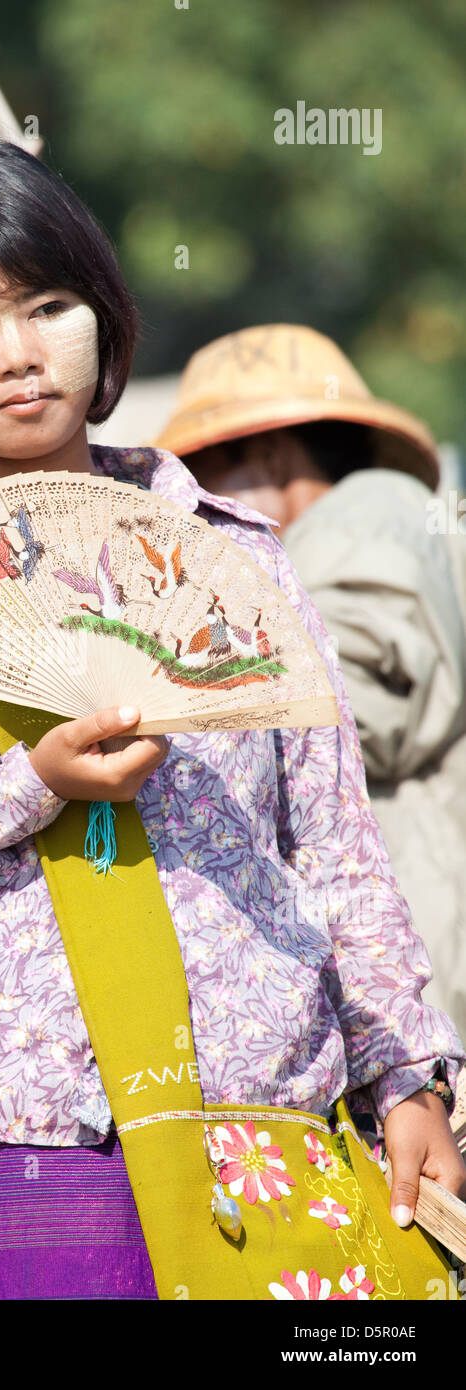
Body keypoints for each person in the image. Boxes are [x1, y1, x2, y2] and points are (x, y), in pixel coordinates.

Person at [0, 144, 466, 1301]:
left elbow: (338, 852)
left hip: (266, 1128)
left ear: (104, 315)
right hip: (22, 1152)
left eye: (48, 307)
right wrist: (24, 786)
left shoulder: (234, 559)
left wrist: (406, 1077)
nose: (19, 356)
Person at [152, 326, 466, 1050]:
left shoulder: (369, 508)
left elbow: (362, 710)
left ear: (268, 454)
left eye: (205, 478)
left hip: (405, 927)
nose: (194, 509)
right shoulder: (327, 544)